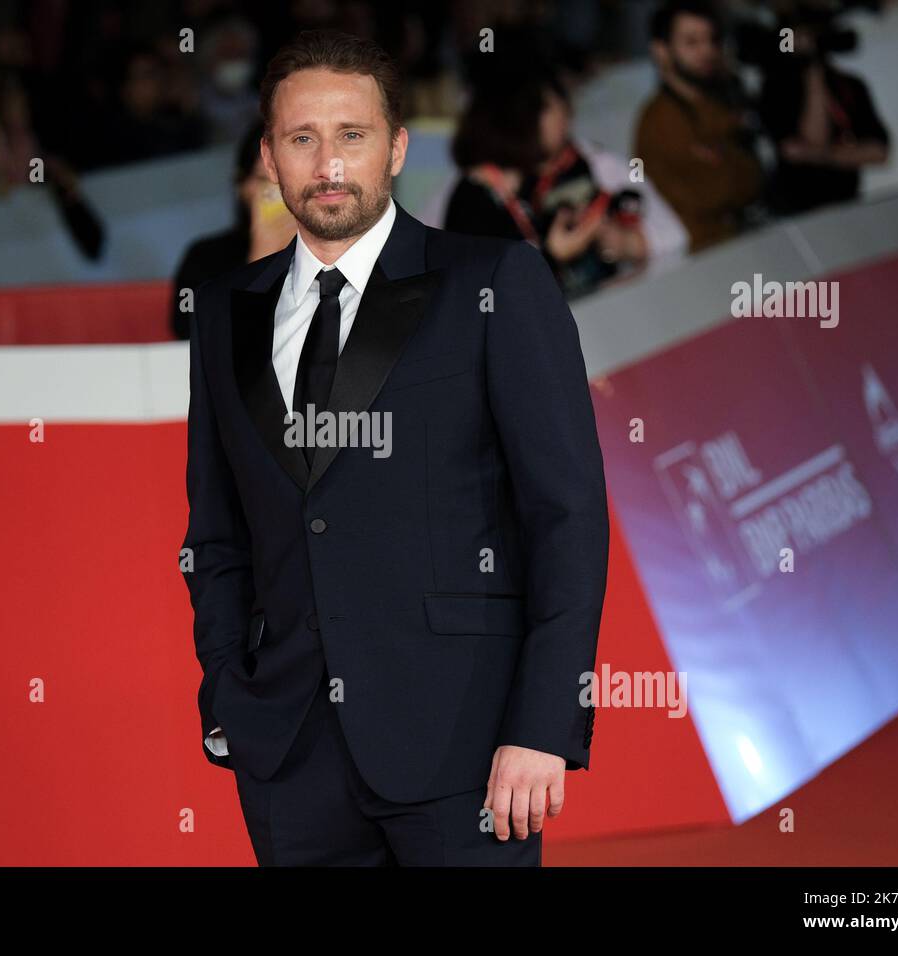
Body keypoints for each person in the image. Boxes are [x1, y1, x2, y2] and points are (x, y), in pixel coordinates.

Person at [181, 29, 608, 866]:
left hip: (468, 745)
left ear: (398, 148)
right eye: (302, 139)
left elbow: (567, 517)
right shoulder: (226, 310)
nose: (328, 164)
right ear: (269, 157)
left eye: (353, 136)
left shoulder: (492, 282)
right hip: (290, 754)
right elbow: (216, 530)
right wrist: (230, 691)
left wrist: (542, 725)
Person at [446, 72, 687, 299]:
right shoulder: (477, 188)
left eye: (544, 108)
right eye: (529, 111)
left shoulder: (593, 162)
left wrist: (621, 243)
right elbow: (475, 293)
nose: (535, 121)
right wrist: (553, 256)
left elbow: (675, 235)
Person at [635, 0, 763, 251]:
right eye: (692, 42)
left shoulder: (721, 103)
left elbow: (753, 179)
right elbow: (716, 192)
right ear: (661, 51)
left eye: (712, 40)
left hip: (740, 245)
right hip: (700, 258)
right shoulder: (659, 121)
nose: (707, 51)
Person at [170, 122, 296, 339]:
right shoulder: (204, 256)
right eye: (266, 182)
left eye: (287, 181)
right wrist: (261, 260)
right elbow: (186, 327)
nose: (279, 195)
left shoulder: (331, 253)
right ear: (241, 185)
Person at [758, 7, 889, 215]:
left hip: (847, 202)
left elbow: (879, 152)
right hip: (797, 206)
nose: (808, 41)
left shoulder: (851, 85)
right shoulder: (775, 88)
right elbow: (807, 143)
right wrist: (812, 72)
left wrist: (820, 155)